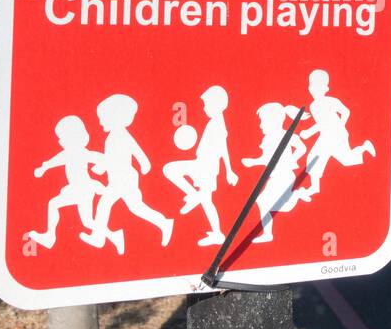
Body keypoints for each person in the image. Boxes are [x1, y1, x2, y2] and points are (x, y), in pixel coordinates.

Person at [85, 94, 173, 248]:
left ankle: (98, 237)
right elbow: (112, 159)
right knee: (133, 207)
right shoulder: (113, 136)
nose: (99, 122)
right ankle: (164, 223)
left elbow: (137, 153)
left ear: (115, 117)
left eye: (102, 118)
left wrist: (144, 164)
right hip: (118, 179)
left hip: (124, 180)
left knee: (112, 205)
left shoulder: (121, 135)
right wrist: (101, 168)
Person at [28, 115, 121, 252]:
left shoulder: (81, 153)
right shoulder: (69, 153)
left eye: (63, 138)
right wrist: (44, 167)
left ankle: (50, 237)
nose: (60, 141)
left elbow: (101, 158)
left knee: (53, 204)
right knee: (88, 221)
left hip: (82, 189)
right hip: (81, 190)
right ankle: (114, 236)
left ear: (75, 137)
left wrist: (102, 170)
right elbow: (56, 160)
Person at [163, 85, 238, 246]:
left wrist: (229, 170)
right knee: (172, 171)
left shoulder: (217, 123)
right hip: (202, 164)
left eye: (206, 104)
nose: (204, 108)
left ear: (216, 104)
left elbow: (223, 148)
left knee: (171, 170)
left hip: (207, 168)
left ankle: (216, 231)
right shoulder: (215, 122)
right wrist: (228, 171)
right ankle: (214, 229)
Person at [241, 103, 308, 243]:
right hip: (277, 176)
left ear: (274, 120)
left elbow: (302, 147)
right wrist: (253, 162)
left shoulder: (286, 135)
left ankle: (295, 197)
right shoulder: (267, 139)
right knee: (264, 201)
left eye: (263, 121)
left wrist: (291, 160)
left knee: (267, 202)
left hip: (284, 175)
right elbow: (267, 159)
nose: (260, 125)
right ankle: (268, 233)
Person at [300, 69, 374, 197]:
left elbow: (346, 111)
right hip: (326, 136)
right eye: (311, 86)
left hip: (337, 135)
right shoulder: (313, 105)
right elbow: (323, 124)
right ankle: (314, 187)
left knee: (347, 160)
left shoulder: (331, 101)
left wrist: (340, 125)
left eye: (318, 86)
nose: (313, 89)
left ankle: (364, 147)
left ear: (326, 88)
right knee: (314, 158)